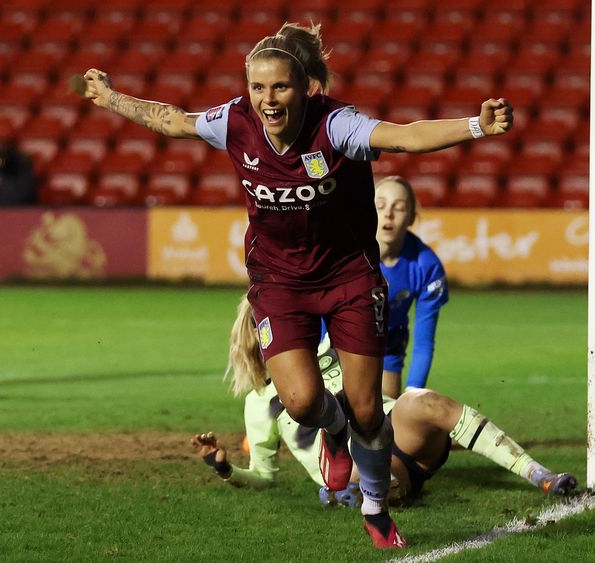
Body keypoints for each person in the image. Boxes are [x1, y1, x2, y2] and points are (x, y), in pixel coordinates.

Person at [82, 22, 513, 548]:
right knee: (304, 402)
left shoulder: (337, 125)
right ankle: (333, 436)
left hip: (349, 276)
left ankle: (375, 508)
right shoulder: (234, 121)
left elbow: (405, 135)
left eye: (280, 87)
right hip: (280, 282)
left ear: (305, 86)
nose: (267, 99)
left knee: (367, 408)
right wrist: (109, 98)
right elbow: (173, 120)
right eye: (258, 88)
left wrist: (476, 126)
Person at [191, 296, 577, 511]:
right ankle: (364, 492)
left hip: (395, 432)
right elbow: (265, 477)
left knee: (421, 400)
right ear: (254, 340)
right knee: (352, 469)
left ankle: (539, 474)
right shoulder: (259, 403)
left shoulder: (328, 348)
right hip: (361, 468)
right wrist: (225, 469)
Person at [374, 176, 448, 397]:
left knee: (385, 422)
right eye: (380, 205)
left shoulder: (427, 266)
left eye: (399, 208)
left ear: (411, 217)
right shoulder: (345, 252)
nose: (388, 214)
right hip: (333, 343)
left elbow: (424, 343)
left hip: (386, 346)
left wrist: (413, 394)